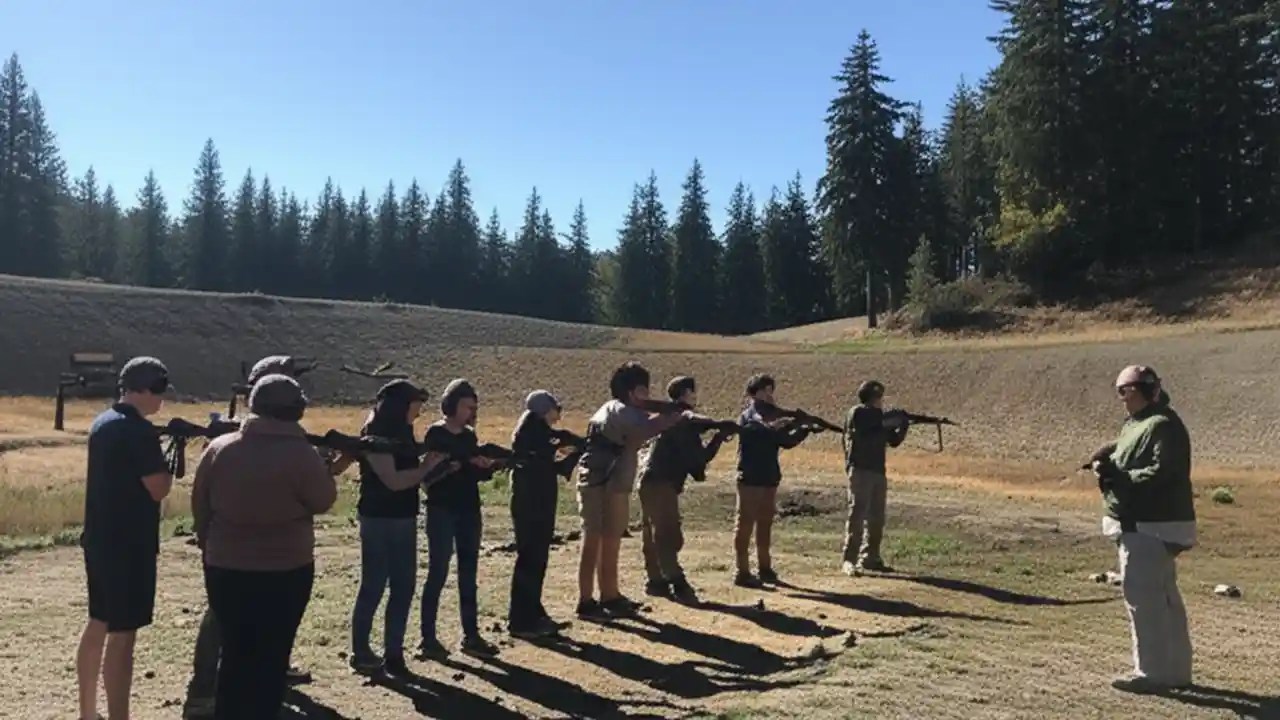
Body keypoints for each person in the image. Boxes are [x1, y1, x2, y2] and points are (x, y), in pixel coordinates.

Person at [183, 355, 339, 719]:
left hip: (226, 566)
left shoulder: (220, 448)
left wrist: (211, 545)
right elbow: (324, 500)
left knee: (234, 653)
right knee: (272, 655)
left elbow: (200, 506)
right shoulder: (302, 455)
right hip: (286, 569)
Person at [76, 356, 174, 720]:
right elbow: (158, 488)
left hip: (101, 539)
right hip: (128, 546)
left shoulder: (104, 422)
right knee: (123, 636)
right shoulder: (138, 432)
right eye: (160, 390)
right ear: (145, 389)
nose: (161, 399)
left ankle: (88, 711)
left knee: (99, 621)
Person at [1091, 365, 1196, 693]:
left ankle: (1150, 673)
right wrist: (1108, 461)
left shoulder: (1162, 424)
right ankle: (1176, 673)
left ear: (1137, 391)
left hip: (1149, 525)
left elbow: (1163, 472)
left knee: (1144, 600)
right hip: (1147, 524)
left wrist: (1117, 477)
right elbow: (1135, 458)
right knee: (1164, 600)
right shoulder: (1143, 423)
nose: (1121, 399)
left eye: (1124, 392)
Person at [349, 379, 454, 676]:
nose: (420, 413)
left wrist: (436, 466)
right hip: (379, 519)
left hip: (403, 517)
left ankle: (393, 653)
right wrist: (426, 467)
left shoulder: (400, 431)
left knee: (403, 587)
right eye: (415, 406)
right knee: (374, 586)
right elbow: (394, 481)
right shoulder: (376, 434)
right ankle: (361, 652)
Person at [574, 361, 691, 620]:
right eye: (644, 390)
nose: (647, 396)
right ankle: (586, 601)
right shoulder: (618, 409)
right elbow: (648, 427)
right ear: (632, 392)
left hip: (614, 484)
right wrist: (673, 415)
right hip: (598, 484)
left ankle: (610, 595)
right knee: (593, 540)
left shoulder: (622, 410)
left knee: (611, 539)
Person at [417, 379, 501, 660]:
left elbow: (470, 470)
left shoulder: (468, 436)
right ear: (451, 405)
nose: (471, 412)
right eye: (467, 406)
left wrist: (483, 467)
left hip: (468, 508)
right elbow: (428, 477)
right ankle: (427, 638)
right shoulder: (436, 433)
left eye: (474, 407)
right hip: (442, 509)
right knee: (438, 573)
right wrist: (451, 467)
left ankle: (471, 635)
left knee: (469, 574)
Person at [636, 375, 733, 604]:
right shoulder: (682, 419)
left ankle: (656, 580)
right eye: (692, 392)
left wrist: (717, 435)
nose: (695, 396)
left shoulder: (673, 420)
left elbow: (697, 459)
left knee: (654, 534)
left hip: (650, 481)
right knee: (668, 536)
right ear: (684, 395)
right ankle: (675, 580)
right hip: (660, 482)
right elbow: (699, 461)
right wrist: (718, 430)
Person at [506, 390, 583, 639]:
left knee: (536, 558)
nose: (558, 412)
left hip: (537, 501)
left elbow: (553, 456)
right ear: (544, 408)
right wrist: (576, 444)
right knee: (530, 558)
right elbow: (553, 442)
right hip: (532, 503)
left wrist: (573, 451)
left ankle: (533, 612)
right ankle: (522, 620)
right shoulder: (533, 427)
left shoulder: (535, 428)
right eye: (555, 407)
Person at [733, 374, 816, 588]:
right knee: (745, 524)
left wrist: (804, 429)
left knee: (765, 524)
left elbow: (784, 441)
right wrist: (785, 424)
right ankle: (742, 571)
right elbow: (763, 429)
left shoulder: (771, 417)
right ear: (754, 393)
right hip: (750, 477)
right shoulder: (749, 416)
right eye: (764, 391)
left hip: (769, 477)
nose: (769, 395)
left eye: (771, 390)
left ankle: (765, 568)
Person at [840, 380, 909, 576]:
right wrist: (892, 419)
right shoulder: (859, 413)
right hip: (860, 470)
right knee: (858, 514)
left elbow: (893, 441)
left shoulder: (878, 420)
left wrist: (903, 426)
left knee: (876, 517)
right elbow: (868, 428)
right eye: (878, 397)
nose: (881, 401)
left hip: (878, 471)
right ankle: (849, 559)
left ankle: (871, 557)